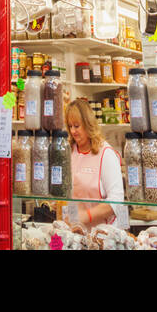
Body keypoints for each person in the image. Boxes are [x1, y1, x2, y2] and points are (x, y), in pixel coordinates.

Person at [66, 98, 127, 230]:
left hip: (102, 234)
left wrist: (86, 216)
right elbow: (70, 196)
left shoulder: (106, 154)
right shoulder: (69, 152)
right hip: (75, 232)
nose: (73, 131)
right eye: (70, 126)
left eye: (77, 126)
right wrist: (72, 220)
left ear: (88, 124)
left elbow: (116, 200)